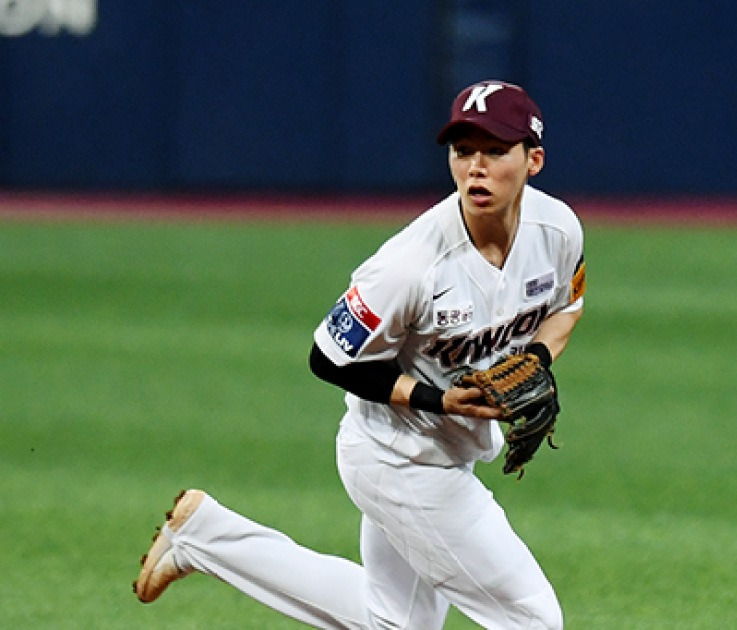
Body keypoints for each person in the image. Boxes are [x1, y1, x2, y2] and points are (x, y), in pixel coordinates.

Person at [133, 79, 585, 629]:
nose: (476, 167)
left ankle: (206, 538)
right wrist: (437, 400)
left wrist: (536, 359)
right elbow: (327, 358)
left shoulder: (557, 229)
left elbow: (567, 307)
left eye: (495, 150)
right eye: (463, 150)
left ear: (533, 159)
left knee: (392, 622)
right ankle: (206, 540)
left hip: (442, 451)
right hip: (399, 459)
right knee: (533, 619)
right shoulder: (411, 264)